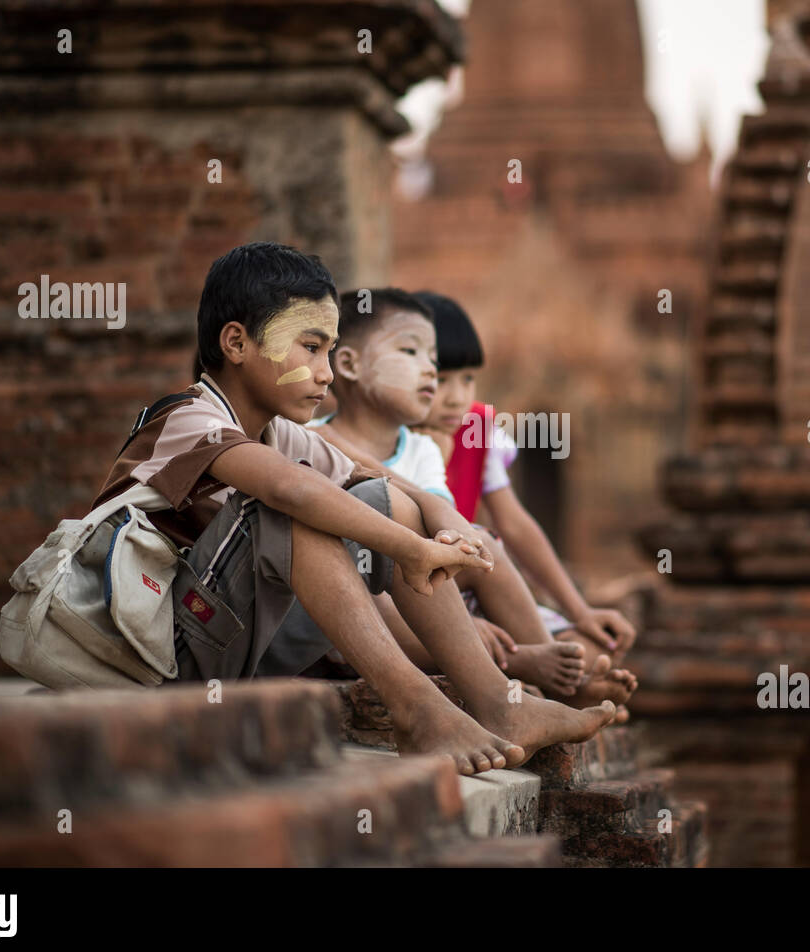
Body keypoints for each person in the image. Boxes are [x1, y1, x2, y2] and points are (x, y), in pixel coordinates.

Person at [94, 242, 616, 774]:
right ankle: (416, 708)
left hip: (231, 651)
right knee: (295, 509)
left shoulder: (284, 435)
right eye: (310, 347)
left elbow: (388, 483)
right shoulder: (185, 419)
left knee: (386, 502)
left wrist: (451, 526)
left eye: (329, 351)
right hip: (155, 654)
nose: (326, 374)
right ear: (236, 342)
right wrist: (411, 550)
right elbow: (290, 493)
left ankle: (498, 704)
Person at [310, 288, 635, 709]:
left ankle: (553, 677)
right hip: (358, 602)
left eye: (434, 359)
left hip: (431, 589)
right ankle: (519, 664)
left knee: (485, 544)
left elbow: (456, 530)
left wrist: (470, 608)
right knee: (374, 593)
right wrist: (464, 626)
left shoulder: (425, 449)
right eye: (413, 354)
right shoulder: (315, 439)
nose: (431, 372)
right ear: (350, 364)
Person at [412, 291, 640, 715]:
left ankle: (569, 680)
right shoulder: (391, 441)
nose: (455, 397)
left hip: (481, 592)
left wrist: (579, 607)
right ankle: (568, 692)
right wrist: (462, 624)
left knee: (589, 645)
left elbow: (515, 525)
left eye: (467, 379)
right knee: (514, 635)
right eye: (441, 380)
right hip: (420, 596)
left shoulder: (477, 430)